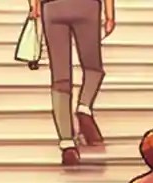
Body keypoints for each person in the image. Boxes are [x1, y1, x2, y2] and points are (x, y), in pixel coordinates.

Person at [31, 0, 115, 165]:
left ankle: (66, 142)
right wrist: (110, 14)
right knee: (93, 68)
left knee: (60, 78)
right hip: (87, 6)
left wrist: (34, 5)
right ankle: (84, 106)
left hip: (52, 7)